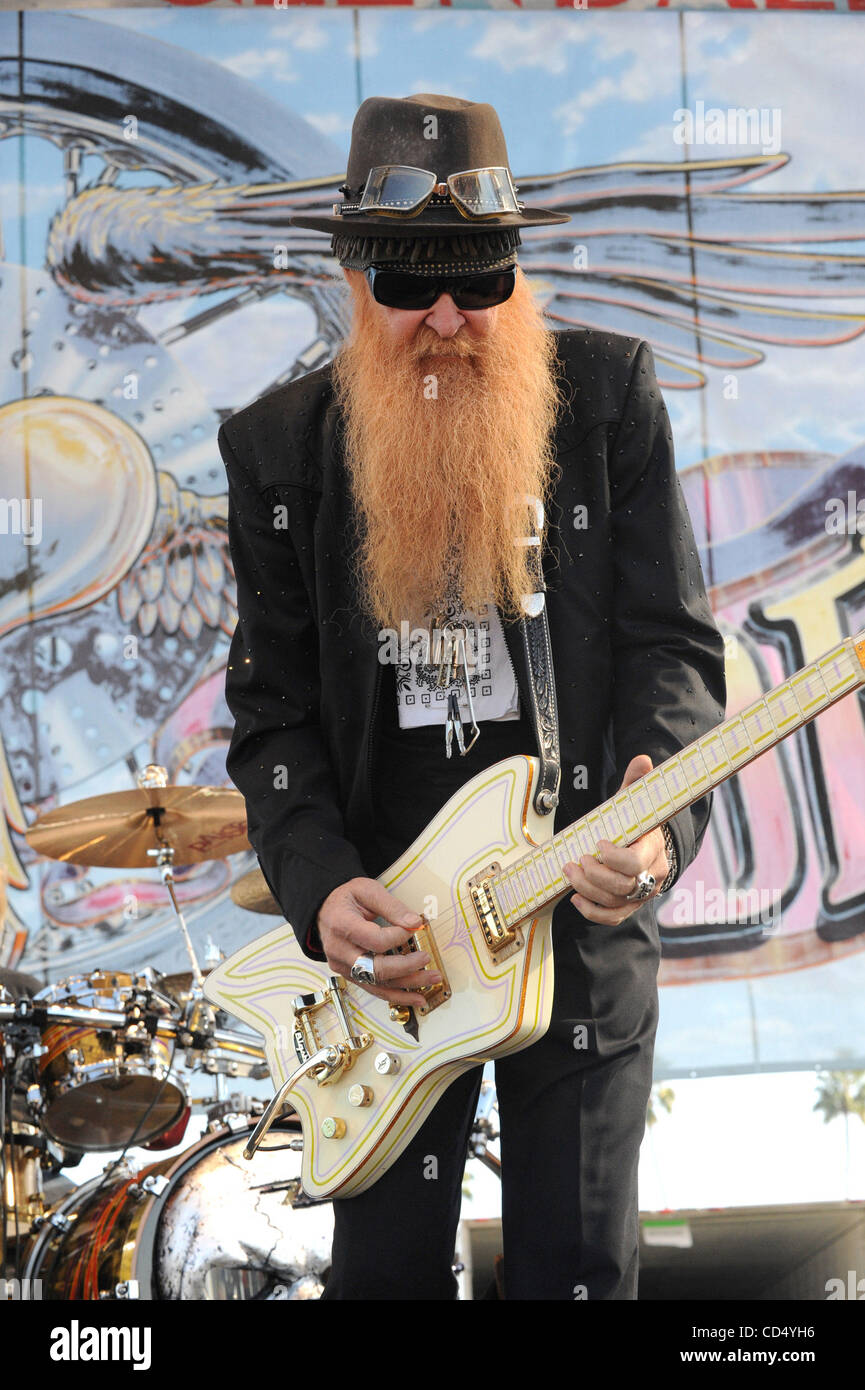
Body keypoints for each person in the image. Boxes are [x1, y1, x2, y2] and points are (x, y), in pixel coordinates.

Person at [218, 93, 727, 1300]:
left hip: (578, 930)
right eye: (409, 288)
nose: (447, 318)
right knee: (384, 1280)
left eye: (478, 284)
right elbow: (274, 710)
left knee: (579, 1273)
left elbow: (674, 653)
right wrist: (318, 884)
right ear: (355, 281)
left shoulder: (606, 403)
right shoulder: (276, 452)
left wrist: (655, 823)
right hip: (400, 961)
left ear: (516, 272)